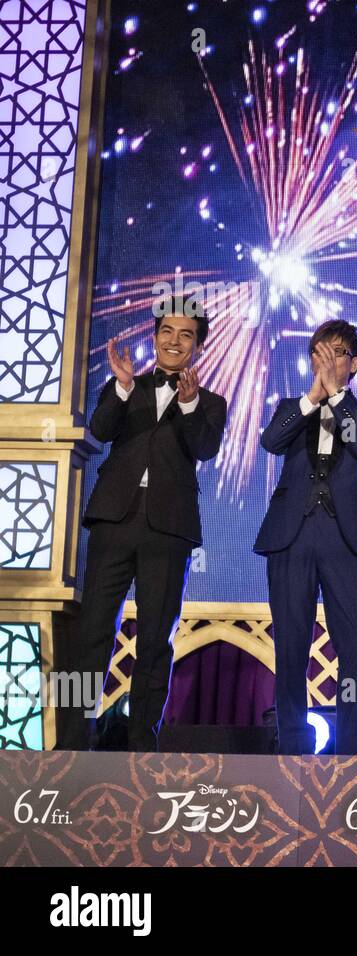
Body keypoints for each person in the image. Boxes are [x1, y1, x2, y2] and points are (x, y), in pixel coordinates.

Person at [74, 296, 227, 751]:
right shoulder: (125, 385)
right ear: (155, 336)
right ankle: (69, 741)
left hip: (168, 531)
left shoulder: (210, 403)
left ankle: (143, 748)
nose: (174, 341)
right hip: (113, 524)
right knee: (89, 635)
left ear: (198, 345)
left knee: (156, 641)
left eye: (186, 334)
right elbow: (100, 430)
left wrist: (187, 403)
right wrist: (121, 387)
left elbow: (203, 448)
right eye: (167, 332)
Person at [254, 320, 357, 756]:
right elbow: (271, 441)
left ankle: (350, 746)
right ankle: (293, 742)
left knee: (353, 646)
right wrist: (314, 397)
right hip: (290, 536)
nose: (327, 361)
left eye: (337, 354)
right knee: (291, 643)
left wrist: (336, 395)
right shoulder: (291, 409)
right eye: (320, 353)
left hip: (345, 540)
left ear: (355, 364)